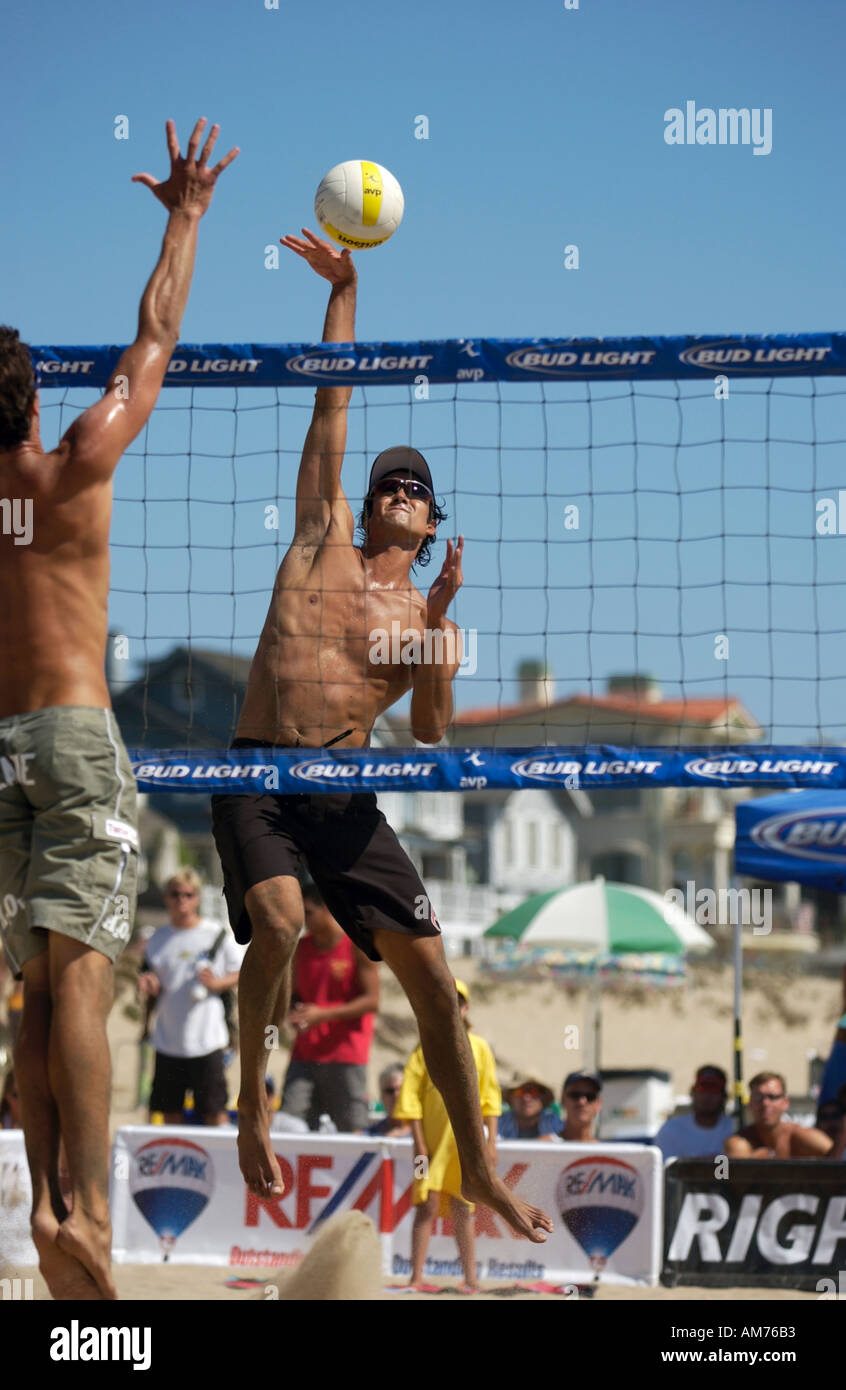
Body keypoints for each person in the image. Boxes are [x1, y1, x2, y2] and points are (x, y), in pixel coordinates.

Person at [209, 230, 552, 1243]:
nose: (397, 487)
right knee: (275, 923)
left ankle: (480, 1171)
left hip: (345, 796)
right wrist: (347, 292)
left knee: (441, 994)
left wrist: (441, 627)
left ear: (432, 517)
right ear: (367, 504)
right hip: (258, 770)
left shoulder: (420, 625)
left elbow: (438, 741)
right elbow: (331, 403)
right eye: (388, 482)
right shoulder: (319, 536)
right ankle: (253, 1095)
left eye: (414, 485)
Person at [0, 117, 238, 1301]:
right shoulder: (82, 454)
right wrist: (184, 215)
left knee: (35, 997)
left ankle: (44, 1193)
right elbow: (156, 333)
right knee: (83, 983)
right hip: (75, 738)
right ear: (34, 398)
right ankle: (88, 1213)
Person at [393, 980, 500, 1292]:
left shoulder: (479, 1048)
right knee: (426, 1204)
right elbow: (410, 1098)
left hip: (464, 1143)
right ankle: (415, 1277)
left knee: (463, 1206)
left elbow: (490, 1099)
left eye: (459, 1001)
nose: (453, 1006)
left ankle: (470, 1279)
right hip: (431, 1142)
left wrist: (491, 1142)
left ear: (466, 1008)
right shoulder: (424, 1045)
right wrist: (419, 1143)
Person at [138, 870, 242, 1126]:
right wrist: (147, 985)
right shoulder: (158, 939)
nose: (181, 900)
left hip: (207, 1040)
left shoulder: (215, 933)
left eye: (188, 894)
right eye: (175, 894)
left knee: (214, 1112)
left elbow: (242, 971)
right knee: (168, 1112)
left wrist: (217, 983)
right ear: (166, 898)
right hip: (167, 1041)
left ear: (197, 899)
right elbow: (147, 978)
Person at [280, 882, 380, 1132]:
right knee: (288, 1125)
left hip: (345, 1053)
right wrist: (295, 1011)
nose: (303, 918)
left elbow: (373, 1000)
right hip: (305, 1052)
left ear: (327, 908)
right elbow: (296, 994)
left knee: (351, 1131)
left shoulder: (357, 944)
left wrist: (323, 1014)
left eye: (308, 912)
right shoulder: (301, 947)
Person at [724, 1071, 834, 1158]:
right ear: (750, 1104)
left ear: (785, 1103)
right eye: (758, 1097)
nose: (765, 1103)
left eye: (772, 1097)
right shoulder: (740, 1142)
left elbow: (838, 1157)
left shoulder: (801, 1137)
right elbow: (736, 1180)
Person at [653, 1064, 737, 1160]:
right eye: (702, 1088)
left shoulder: (736, 1130)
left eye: (714, 1090)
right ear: (692, 1092)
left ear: (724, 1096)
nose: (707, 1096)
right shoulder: (670, 1130)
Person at [366, 1063, 411, 1137]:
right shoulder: (370, 1134)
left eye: (401, 1089)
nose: (396, 1095)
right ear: (381, 1097)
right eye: (390, 1091)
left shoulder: (427, 1133)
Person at [559, 1071, 603, 1142]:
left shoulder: (604, 1151)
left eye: (590, 1096)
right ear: (563, 1100)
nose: (582, 1102)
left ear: (598, 1104)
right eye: (575, 1095)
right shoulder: (544, 1147)